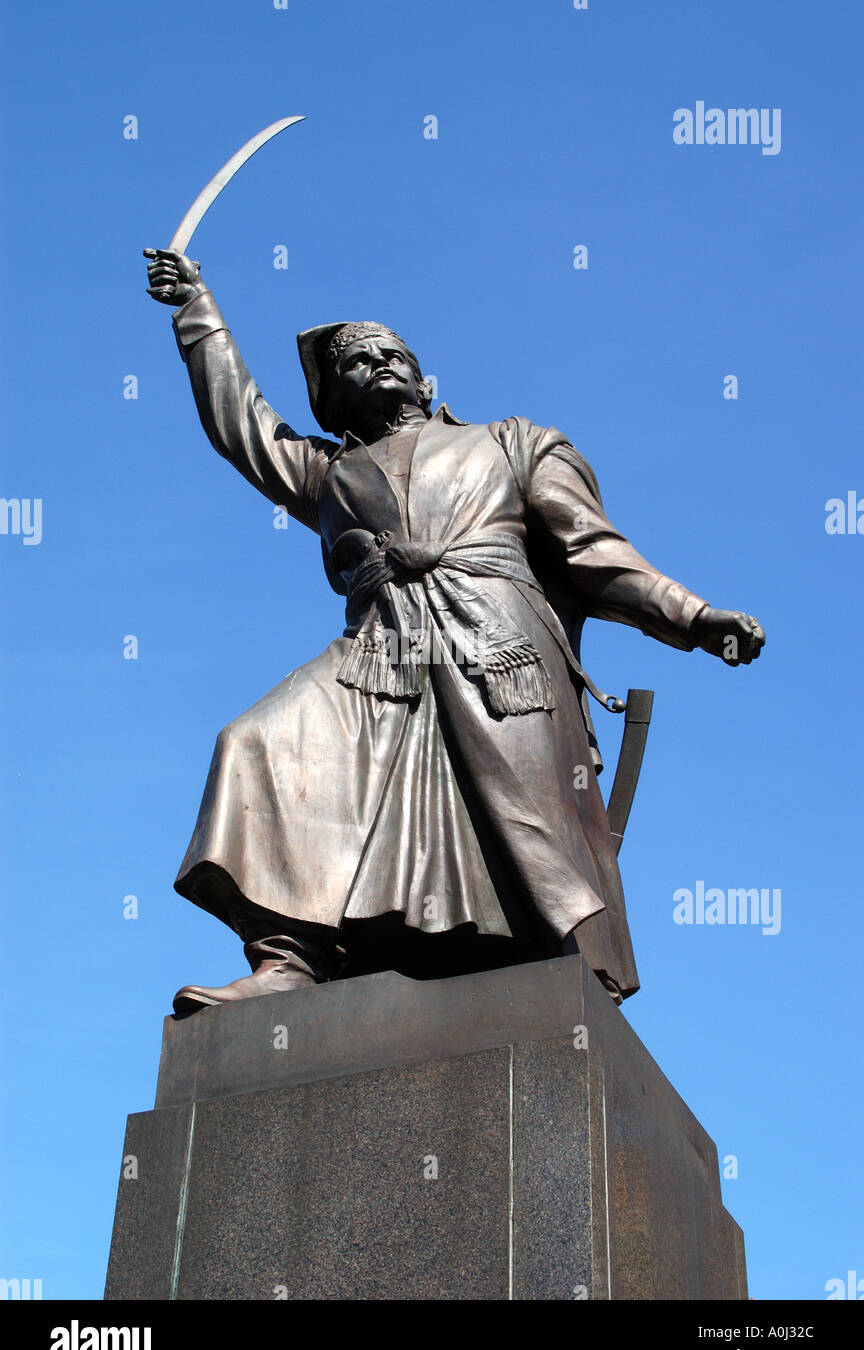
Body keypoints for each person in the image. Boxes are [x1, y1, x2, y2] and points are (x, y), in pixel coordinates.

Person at [145, 248, 765, 1015]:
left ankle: (560, 976)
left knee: (531, 827)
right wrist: (196, 313)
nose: (375, 363)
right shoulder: (327, 473)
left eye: (390, 353)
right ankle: (290, 959)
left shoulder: (513, 443)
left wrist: (695, 617)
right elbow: (242, 423)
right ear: (334, 399)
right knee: (259, 741)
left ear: (422, 373)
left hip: (495, 645)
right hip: (378, 656)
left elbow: (595, 554)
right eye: (354, 362)